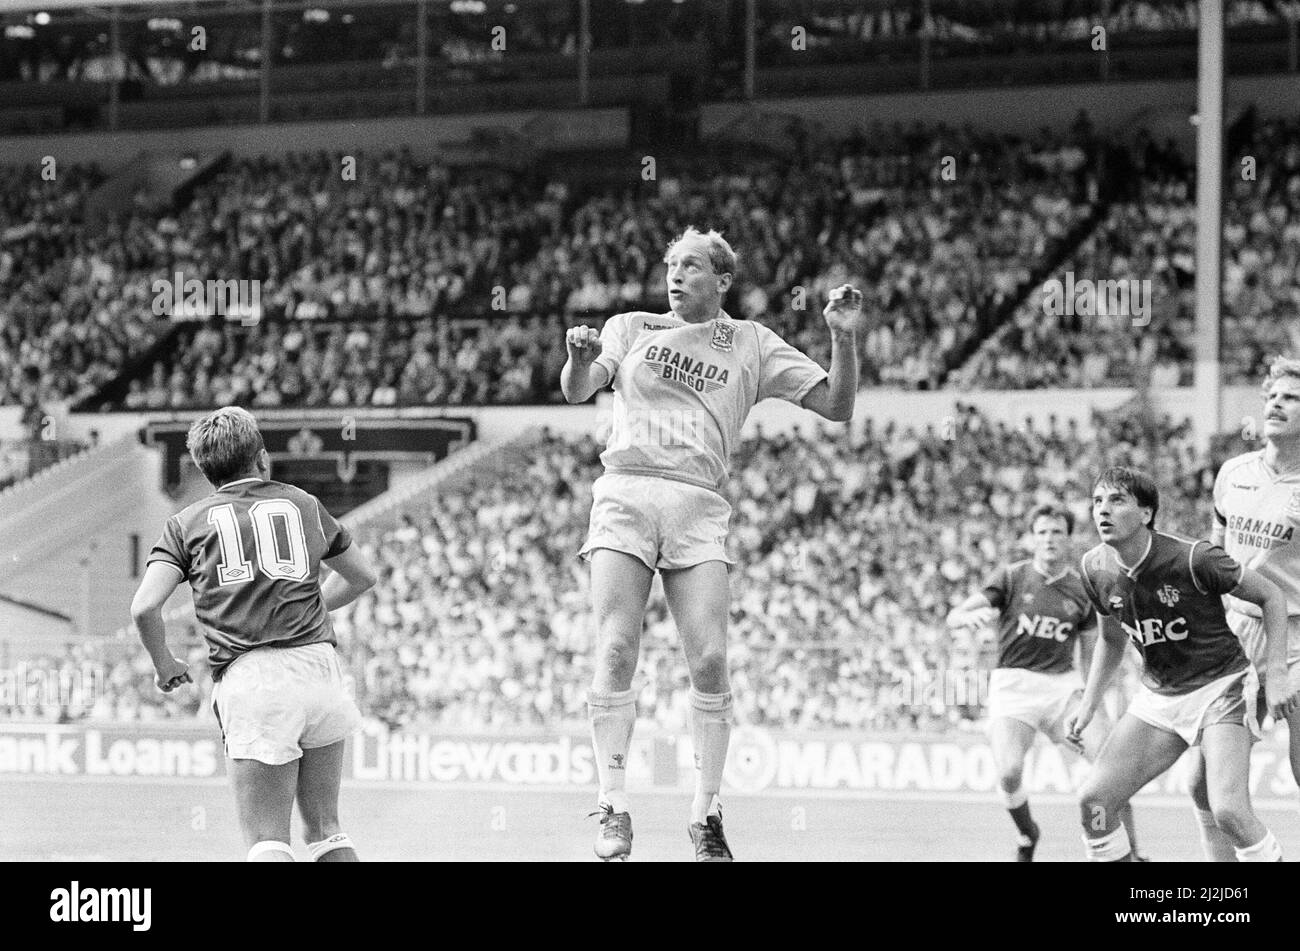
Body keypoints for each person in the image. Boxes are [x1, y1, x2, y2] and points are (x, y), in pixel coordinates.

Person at [561, 226, 861, 861]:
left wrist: (843, 336)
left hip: (698, 503)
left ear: (723, 281)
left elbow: (836, 405)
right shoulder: (629, 327)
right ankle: (613, 804)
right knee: (615, 649)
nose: (675, 274)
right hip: (626, 491)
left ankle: (706, 814)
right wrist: (581, 360)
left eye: (691, 266)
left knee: (710, 663)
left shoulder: (750, 342)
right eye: (671, 264)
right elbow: (579, 389)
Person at [130, 406, 376, 862]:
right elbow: (361, 576)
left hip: (254, 676)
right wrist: (306, 606)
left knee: (267, 840)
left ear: (205, 471)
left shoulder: (186, 524)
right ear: (262, 459)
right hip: (319, 666)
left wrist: (165, 664)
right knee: (326, 830)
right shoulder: (303, 503)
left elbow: (144, 606)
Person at [1067, 467, 1298, 862]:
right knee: (1095, 803)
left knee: (1229, 811)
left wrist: (1276, 673)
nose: (1103, 510)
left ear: (1146, 514)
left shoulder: (1194, 558)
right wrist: (1088, 704)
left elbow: (1271, 597)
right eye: (1097, 501)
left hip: (1220, 689)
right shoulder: (1095, 568)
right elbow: (1110, 638)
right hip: (1159, 697)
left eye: (1117, 500)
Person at [947, 502, 1141, 861]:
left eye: (1057, 532)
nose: (1049, 539)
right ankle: (1027, 833)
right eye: (1042, 532)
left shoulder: (1082, 590)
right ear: (1031, 539)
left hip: (1061, 687)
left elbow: (1093, 652)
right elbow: (956, 614)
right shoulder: (1012, 577)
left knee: (1111, 765)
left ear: (1069, 539)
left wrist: (1092, 702)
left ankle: (1133, 851)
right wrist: (962, 618)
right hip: (1013, 688)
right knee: (1008, 772)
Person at [1189, 356, 1300, 859]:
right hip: (1234, 634)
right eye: (1273, 396)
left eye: (1291, 398)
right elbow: (1214, 559)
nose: (1277, 404)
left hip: (1294, 634)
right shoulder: (1234, 473)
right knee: (1201, 782)